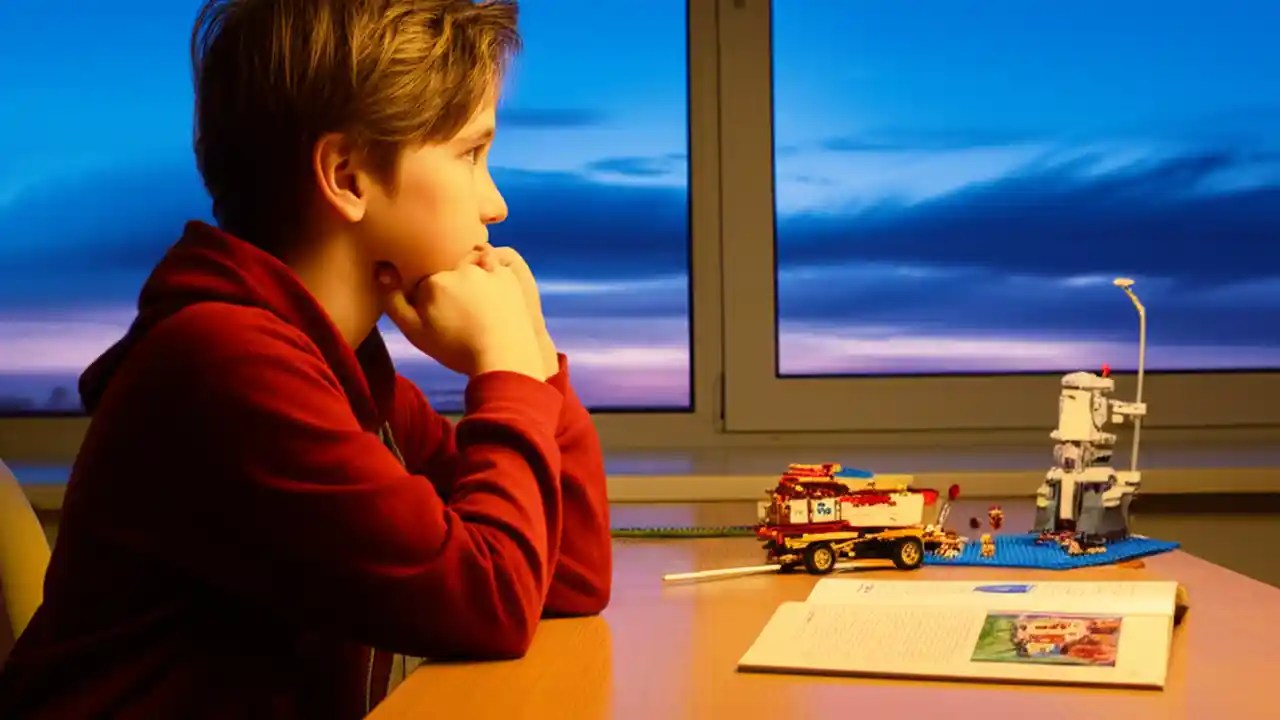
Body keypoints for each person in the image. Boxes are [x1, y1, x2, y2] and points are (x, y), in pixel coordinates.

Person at [0, 0, 611, 717]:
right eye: (470, 154)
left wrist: (531, 349)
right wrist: (503, 368)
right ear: (346, 177)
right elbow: (491, 601)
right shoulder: (228, 366)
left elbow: (568, 576)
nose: (495, 203)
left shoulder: (346, 372)